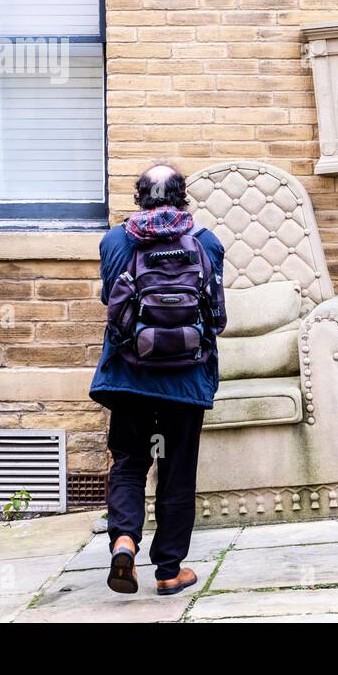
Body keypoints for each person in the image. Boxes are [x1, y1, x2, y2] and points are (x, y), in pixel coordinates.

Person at [90, 163, 225, 596]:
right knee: (176, 470)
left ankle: (124, 542)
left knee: (130, 461)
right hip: (184, 383)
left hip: (131, 379)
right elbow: (216, 317)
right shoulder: (206, 243)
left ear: (139, 196)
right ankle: (169, 570)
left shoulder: (114, 241)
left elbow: (109, 302)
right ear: (183, 196)